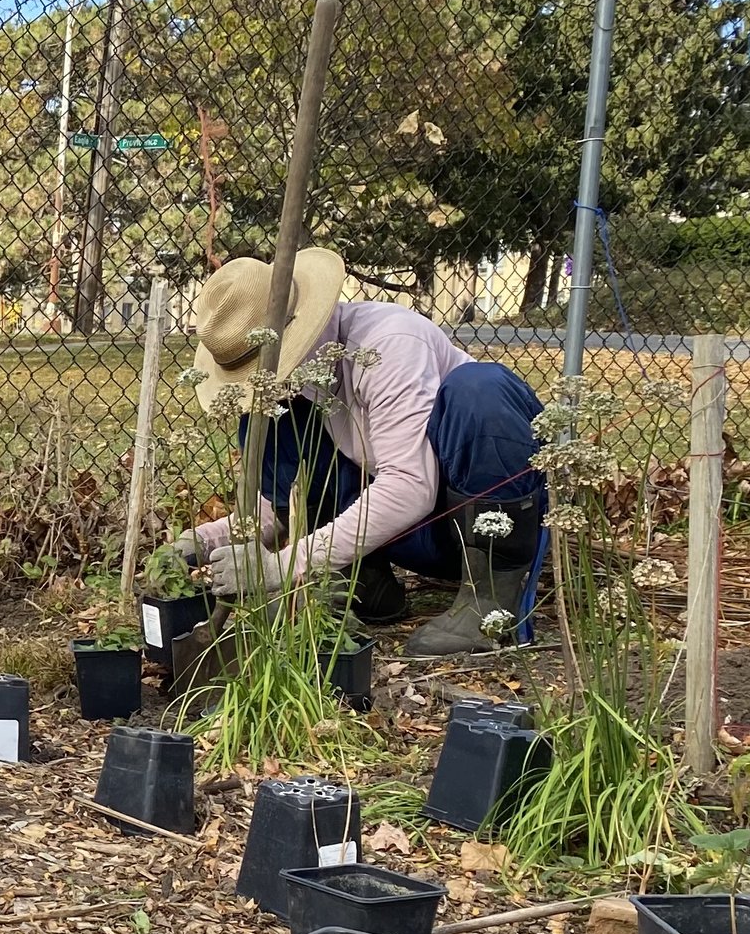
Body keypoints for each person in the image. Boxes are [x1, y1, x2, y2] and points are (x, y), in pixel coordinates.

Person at [175, 250, 546, 656]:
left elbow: (410, 486)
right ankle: (360, 584)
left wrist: (284, 565)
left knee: (481, 389)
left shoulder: (388, 343)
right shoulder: (300, 387)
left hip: (476, 524)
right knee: (269, 414)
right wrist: (198, 542)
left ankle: (488, 601)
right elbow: (282, 507)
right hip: (401, 534)